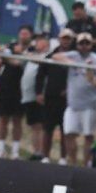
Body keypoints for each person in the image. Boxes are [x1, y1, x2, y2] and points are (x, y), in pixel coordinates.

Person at [59, 32, 96, 166]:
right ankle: (73, 163)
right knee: (68, 134)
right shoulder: (73, 55)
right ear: (77, 44)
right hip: (73, 104)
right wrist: (73, 63)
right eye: (81, 43)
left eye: (87, 43)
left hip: (90, 105)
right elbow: (56, 56)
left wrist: (88, 70)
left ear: (91, 45)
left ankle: (86, 164)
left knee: (88, 136)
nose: (84, 46)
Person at [33, 29, 74, 162]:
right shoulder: (51, 55)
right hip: (51, 96)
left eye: (68, 38)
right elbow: (40, 74)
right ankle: (45, 156)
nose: (66, 41)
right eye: (64, 38)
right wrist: (38, 92)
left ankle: (63, 158)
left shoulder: (75, 56)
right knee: (47, 128)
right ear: (59, 39)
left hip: (67, 99)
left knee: (65, 130)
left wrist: (70, 89)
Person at [0, 25, 32, 158]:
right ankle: (0, 149)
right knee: (3, 118)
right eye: (21, 33)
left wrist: (19, 56)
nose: (23, 35)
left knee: (17, 120)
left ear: (30, 35)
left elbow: (19, 63)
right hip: (6, 86)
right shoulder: (10, 46)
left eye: (26, 33)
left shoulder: (32, 49)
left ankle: (15, 151)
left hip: (22, 88)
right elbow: (0, 60)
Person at [21, 36, 49, 159]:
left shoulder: (47, 56)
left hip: (39, 95)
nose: (39, 44)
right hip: (28, 96)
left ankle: (42, 152)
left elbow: (36, 60)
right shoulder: (30, 55)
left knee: (41, 125)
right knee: (34, 126)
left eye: (41, 42)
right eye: (38, 42)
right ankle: (36, 151)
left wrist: (27, 54)